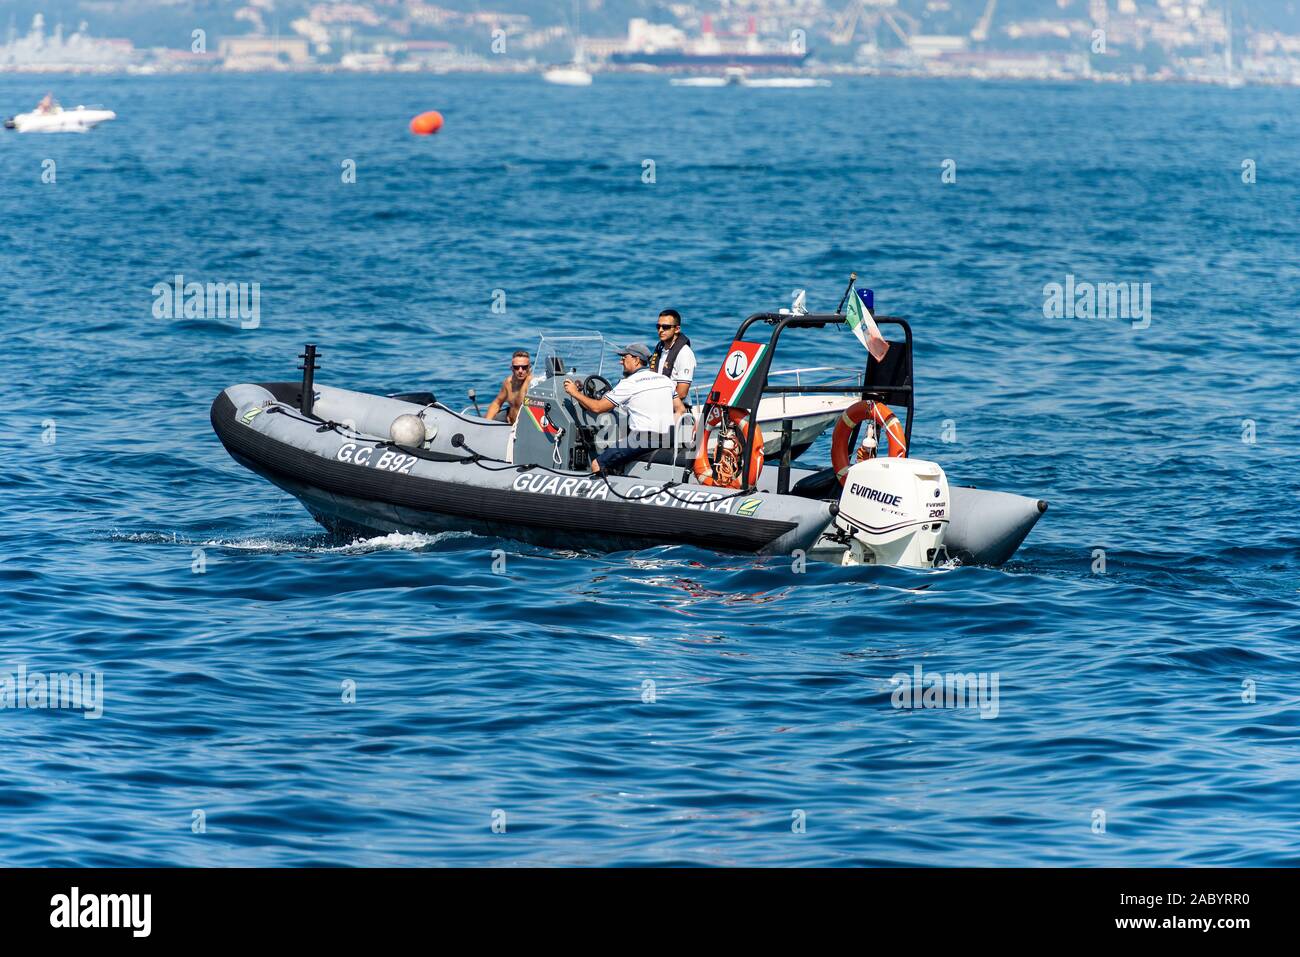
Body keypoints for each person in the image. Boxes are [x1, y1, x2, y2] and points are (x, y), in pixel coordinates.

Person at [563, 343, 674, 475]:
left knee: (597, 463)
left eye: (624, 357)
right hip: (670, 436)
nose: (620, 361)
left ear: (636, 360)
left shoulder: (629, 383)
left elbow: (597, 408)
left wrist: (575, 393)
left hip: (643, 439)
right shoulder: (665, 379)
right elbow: (680, 409)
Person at [648, 308, 696, 417]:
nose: (660, 330)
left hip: (677, 412)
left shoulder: (684, 353)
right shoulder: (660, 351)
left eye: (665, 327)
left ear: (677, 329)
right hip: (659, 409)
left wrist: (659, 407)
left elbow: (682, 392)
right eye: (658, 326)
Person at [484, 350, 532, 424]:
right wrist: (486, 422)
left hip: (522, 427)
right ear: (511, 368)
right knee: (485, 417)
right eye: (516, 367)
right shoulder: (508, 382)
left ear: (529, 367)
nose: (520, 370)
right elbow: (497, 403)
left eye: (524, 367)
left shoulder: (532, 384)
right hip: (508, 421)